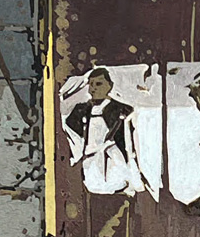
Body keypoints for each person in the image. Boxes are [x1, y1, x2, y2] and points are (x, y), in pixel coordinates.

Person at [63, 67, 149, 195]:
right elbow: (71, 132)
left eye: (98, 84)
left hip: (113, 160)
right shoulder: (81, 110)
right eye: (91, 84)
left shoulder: (121, 109)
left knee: (116, 186)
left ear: (110, 85)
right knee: (93, 188)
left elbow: (129, 143)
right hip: (90, 161)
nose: (93, 88)